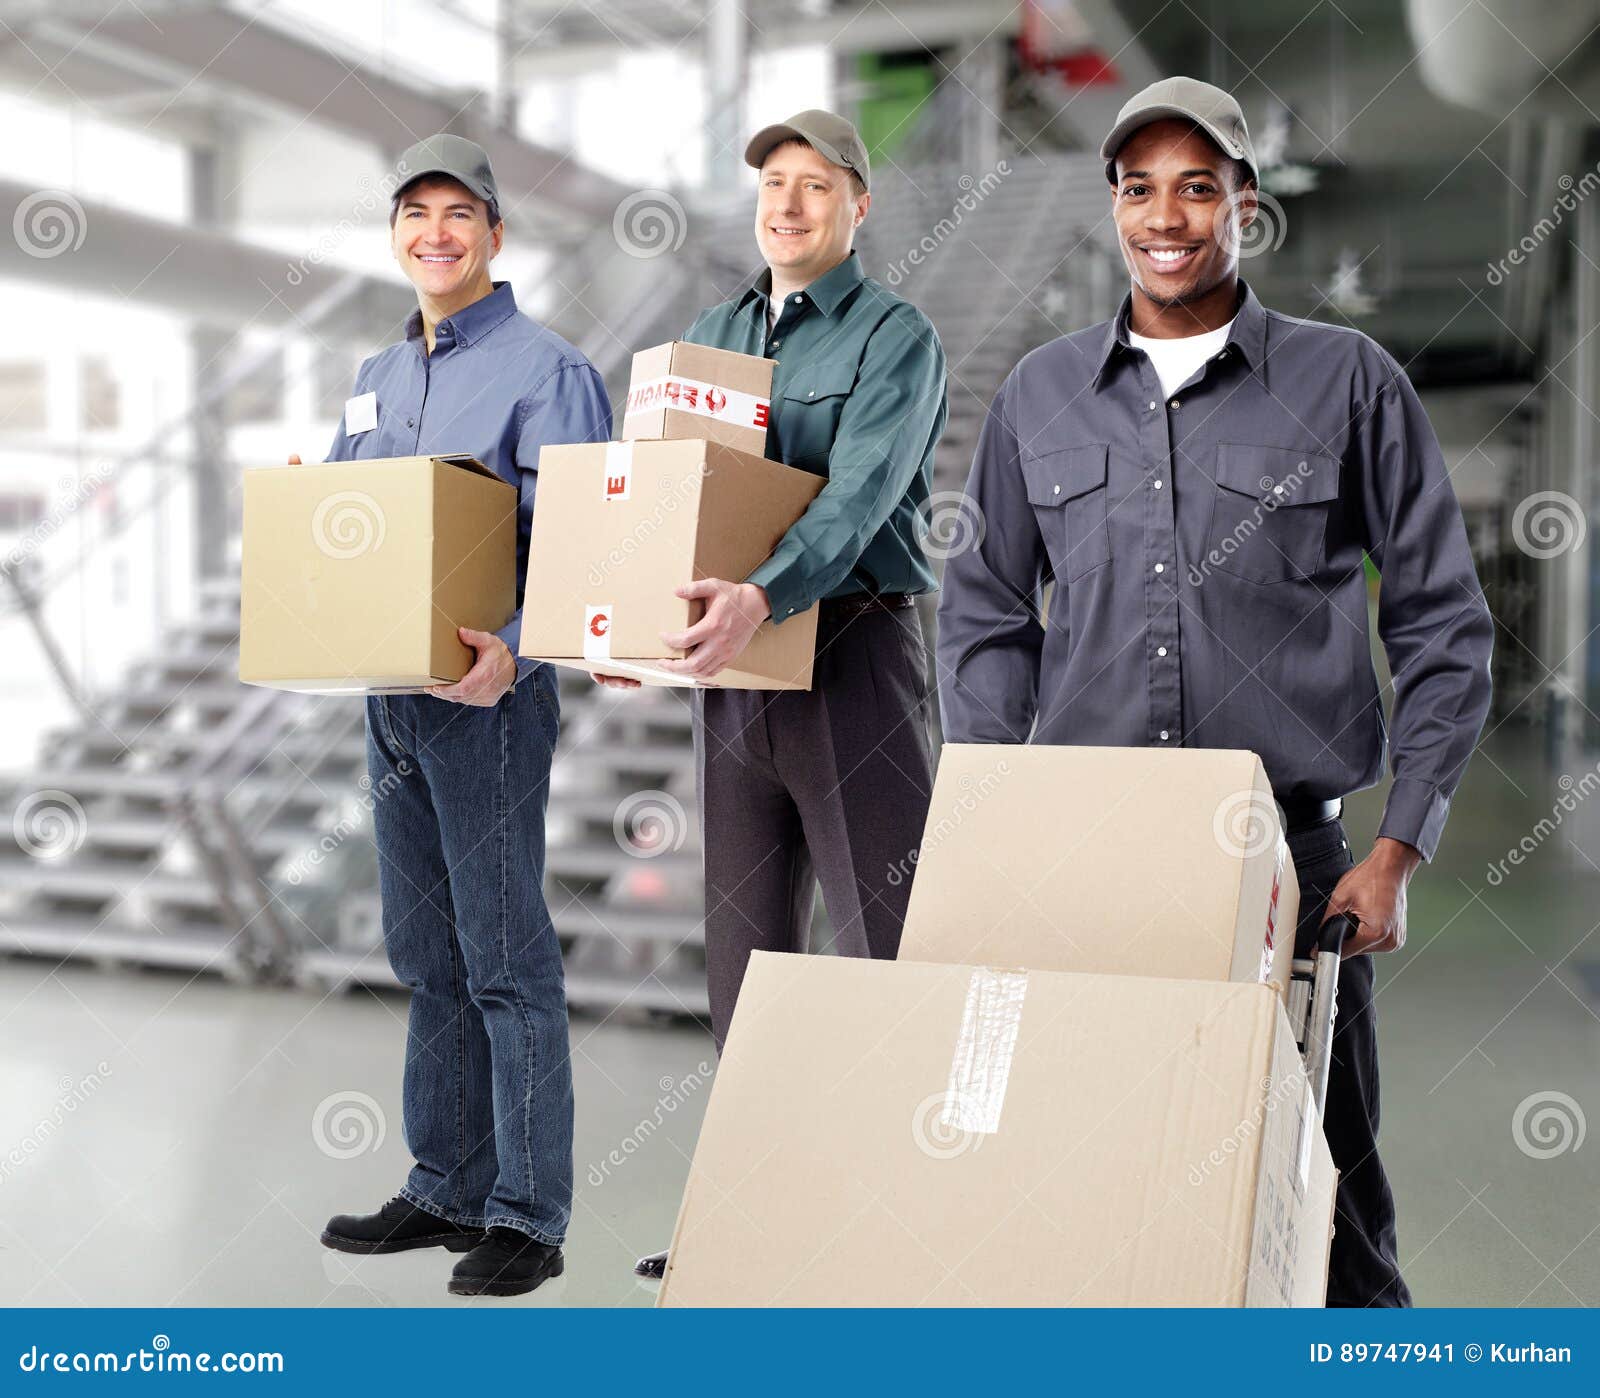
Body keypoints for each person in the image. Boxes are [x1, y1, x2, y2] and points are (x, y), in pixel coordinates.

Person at [936, 77, 1493, 1307]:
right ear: (1114, 209)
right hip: (1091, 860)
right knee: (1100, 1179)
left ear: (1246, 204)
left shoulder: (1345, 382)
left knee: (1324, 1192)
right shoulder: (1037, 397)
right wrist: (1000, 806)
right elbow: (981, 613)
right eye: (1140, 189)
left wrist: (1399, 846)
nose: (1167, 215)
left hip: (1292, 869)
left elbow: (1443, 621)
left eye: (1198, 186)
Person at [596, 110, 949, 1280]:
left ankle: (903, 1227)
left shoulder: (895, 337)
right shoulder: (711, 333)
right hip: (733, 673)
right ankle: (754, 1217)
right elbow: (657, 488)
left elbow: (857, 500)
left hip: (850, 657)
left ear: (859, 206)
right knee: (741, 956)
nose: (787, 205)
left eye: (815, 185)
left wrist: (761, 588)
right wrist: (617, 616)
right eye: (772, 185)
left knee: (884, 948)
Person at [300, 134, 612, 1297]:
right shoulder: (379, 375)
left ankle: (529, 1215)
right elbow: (346, 510)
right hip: (388, 699)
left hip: (487, 703)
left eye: (457, 214)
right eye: (414, 214)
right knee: (423, 952)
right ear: (396, 234)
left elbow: (592, 552)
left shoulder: (548, 371)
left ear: (494, 232)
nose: (435, 233)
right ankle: (444, 1184)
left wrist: (516, 655)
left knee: (503, 961)